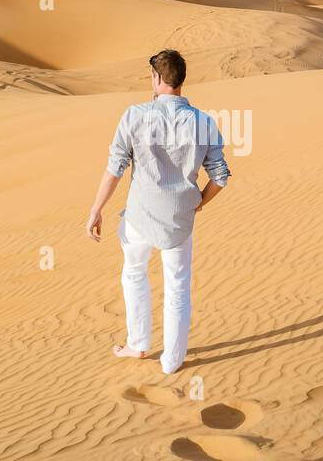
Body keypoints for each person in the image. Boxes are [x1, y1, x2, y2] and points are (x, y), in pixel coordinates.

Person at [85, 50, 230, 374]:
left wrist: (97, 209)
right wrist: (198, 203)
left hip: (139, 216)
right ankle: (172, 361)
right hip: (180, 220)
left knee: (134, 273)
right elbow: (220, 177)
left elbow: (115, 168)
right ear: (180, 80)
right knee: (177, 285)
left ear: (157, 79)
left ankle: (138, 344)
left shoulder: (134, 115)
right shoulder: (204, 121)